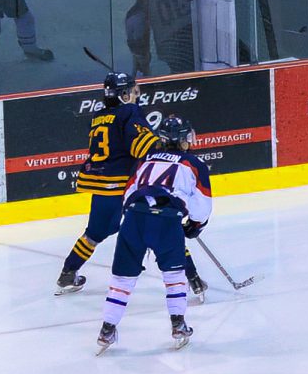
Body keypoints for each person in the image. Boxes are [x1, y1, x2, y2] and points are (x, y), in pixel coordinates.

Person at [56, 73, 206, 303]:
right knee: (163, 225)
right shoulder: (130, 112)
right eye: (133, 92)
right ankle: (193, 278)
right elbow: (140, 148)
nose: (137, 95)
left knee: (94, 233)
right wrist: (164, 145)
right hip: (127, 186)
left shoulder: (99, 116)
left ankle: (68, 272)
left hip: (100, 184)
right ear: (123, 95)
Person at [95, 116, 212, 353]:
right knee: (174, 275)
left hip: (134, 220)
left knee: (122, 279)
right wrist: (195, 224)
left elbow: (128, 193)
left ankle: (107, 330)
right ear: (182, 140)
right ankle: (178, 325)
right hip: (167, 222)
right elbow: (203, 204)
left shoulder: (144, 159)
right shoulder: (193, 163)